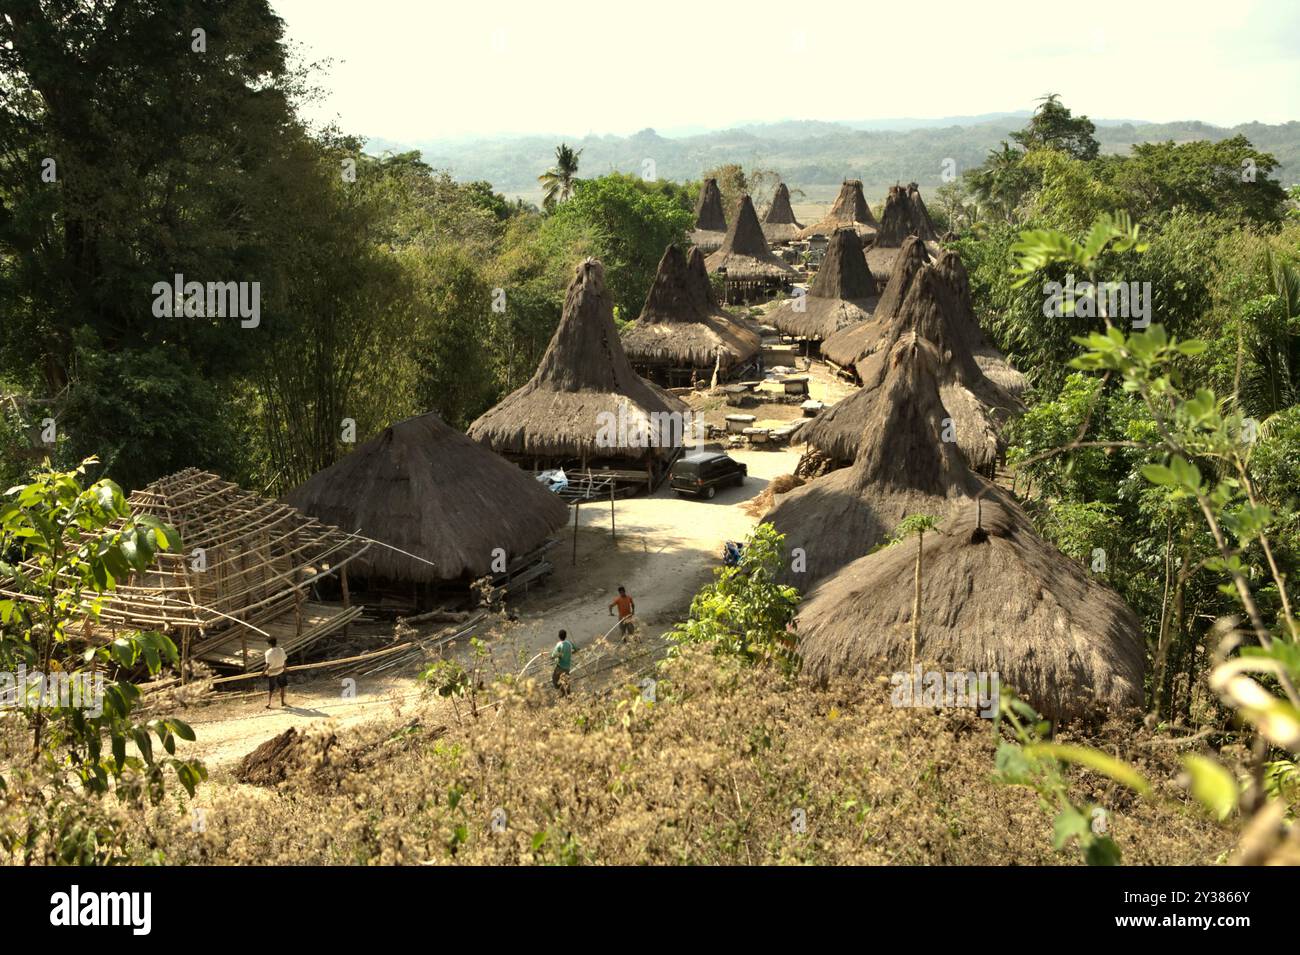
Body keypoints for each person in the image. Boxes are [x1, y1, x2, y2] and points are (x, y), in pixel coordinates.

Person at [264, 637, 287, 708]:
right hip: (281, 670)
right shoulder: (281, 650)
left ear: (269, 644)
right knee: (282, 687)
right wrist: (285, 668)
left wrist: (263, 672)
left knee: (271, 689)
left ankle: (269, 703)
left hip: (272, 672)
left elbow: (267, 664)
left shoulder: (268, 652)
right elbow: (284, 661)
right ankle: (282, 702)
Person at [550, 629, 574, 697]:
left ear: (559, 636)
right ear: (566, 636)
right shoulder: (569, 643)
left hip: (560, 667)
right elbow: (575, 649)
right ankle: (568, 695)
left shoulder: (559, 645)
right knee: (566, 681)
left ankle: (562, 691)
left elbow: (553, 655)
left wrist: (552, 657)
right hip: (567, 667)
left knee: (555, 679)